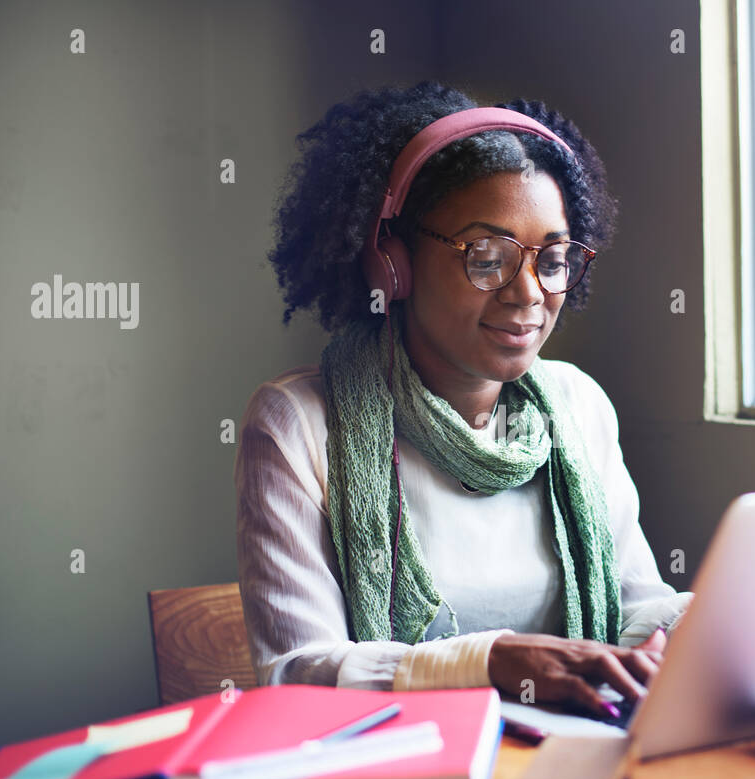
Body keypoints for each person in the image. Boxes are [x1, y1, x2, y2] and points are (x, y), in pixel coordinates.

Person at [235, 80, 691, 721]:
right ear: (392, 263)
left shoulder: (578, 406)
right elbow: (297, 675)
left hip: (573, 761)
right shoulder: (297, 425)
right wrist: (490, 662)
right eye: (488, 256)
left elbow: (634, 611)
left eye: (552, 259)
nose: (529, 293)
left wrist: (717, 616)